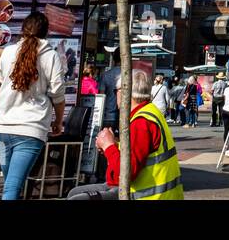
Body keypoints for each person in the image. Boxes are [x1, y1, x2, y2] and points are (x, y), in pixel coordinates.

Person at [68, 69, 184, 200]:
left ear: (124, 93)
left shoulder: (141, 122)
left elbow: (123, 174)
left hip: (146, 195)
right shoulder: (149, 112)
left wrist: (109, 146)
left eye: (115, 91)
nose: (115, 95)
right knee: (75, 193)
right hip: (153, 192)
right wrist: (114, 145)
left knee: (77, 198)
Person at [0, 10, 66, 200]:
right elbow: (58, 94)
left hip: (3, 127)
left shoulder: (8, 51)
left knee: (9, 184)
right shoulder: (50, 56)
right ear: (46, 32)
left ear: (23, 29)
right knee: (12, 188)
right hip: (30, 129)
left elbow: (2, 80)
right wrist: (58, 121)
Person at [99, 54, 122, 133]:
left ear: (114, 60)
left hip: (107, 115)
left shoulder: (106, 75)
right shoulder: (129, 75)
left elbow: (101, 95)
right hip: (123, 116)